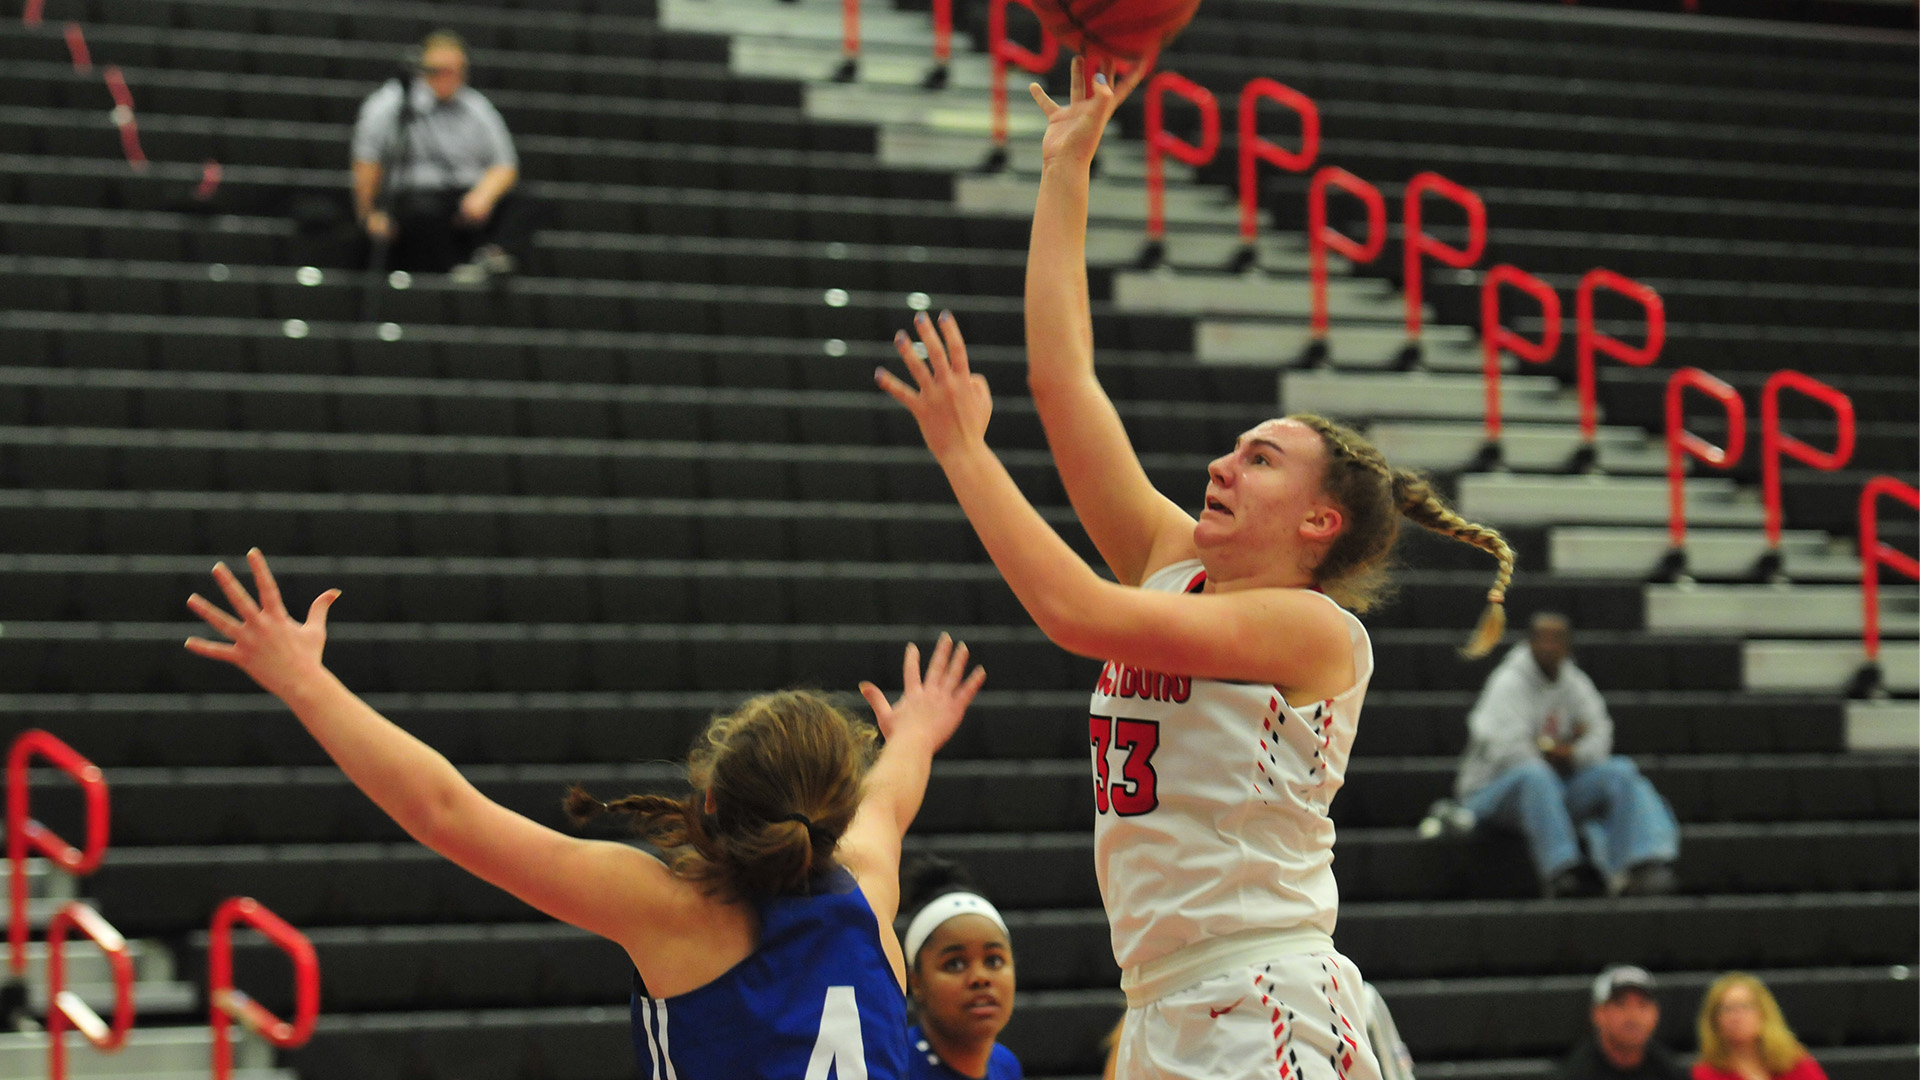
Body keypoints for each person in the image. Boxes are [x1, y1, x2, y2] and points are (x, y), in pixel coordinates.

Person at [872, 56, 1516, 1080]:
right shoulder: (1174, 561)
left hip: (1266, 994)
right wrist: (1068, 168)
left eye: (1259, 458)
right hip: (1164, 1001)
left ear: (1318, 519)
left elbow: (1075, 612)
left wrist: (964, 453)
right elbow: (1062, 376)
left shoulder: (1311, 632)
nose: (1221, 462)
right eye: (1234, 445)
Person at [184, 549, 987, 1078]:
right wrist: (915, 730)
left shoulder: (670, 913)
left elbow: (443, 811)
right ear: (835, 815)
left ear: (709, 804)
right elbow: (894, 792)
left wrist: (305, 682)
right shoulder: (870, 880)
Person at [1426, 612, 1680, 898]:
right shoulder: (1507, 683)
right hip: (1491, 795)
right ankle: (1563, 872)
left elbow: (1601, 738)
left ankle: (1644, 865)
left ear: (1568, 646)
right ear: (1530, 643)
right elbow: (1510, 753)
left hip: (1552, 793)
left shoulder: (1575, 683)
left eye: (1556, 640)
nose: (1549, 646)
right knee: (1535, 775)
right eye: (1542, 639)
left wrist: (1564, 751)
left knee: (1620, 771)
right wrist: (1562, 748)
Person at [350, 30, 529, 278]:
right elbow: (367, 163)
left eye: (457, 70)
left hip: (463, 196)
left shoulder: (477, 109)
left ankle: (492, 258)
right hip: (416, 199)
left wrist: (483, 196)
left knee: (522, 204)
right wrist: (369, 214)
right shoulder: (389, 106)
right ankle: (450, 273)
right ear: (423, 68)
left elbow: (504, 164)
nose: (449, 77)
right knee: (422, 215)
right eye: (440, 70)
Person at [899, 856, 1022, 1079]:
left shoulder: (1006, 1066)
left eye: (994, 960)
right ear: (915, 981)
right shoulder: (895, 1066)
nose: (980, 978)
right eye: (955, 964)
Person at [1558, 965, 1690, 1080]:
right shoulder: (1575, 1073)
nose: (1633, 1015)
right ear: (1598, 1013)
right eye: (1621, 1004)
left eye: (1642, 1005)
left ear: (1656, 1013)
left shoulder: (1669, 1071)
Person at [1692, 973, 1827, 1080]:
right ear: (1714, 1020)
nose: (1736, 1016)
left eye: (1745, 1006)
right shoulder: (1706, 1073)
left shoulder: (1795, 1063)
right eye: (1727, 1009)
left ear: (1763, 1013)